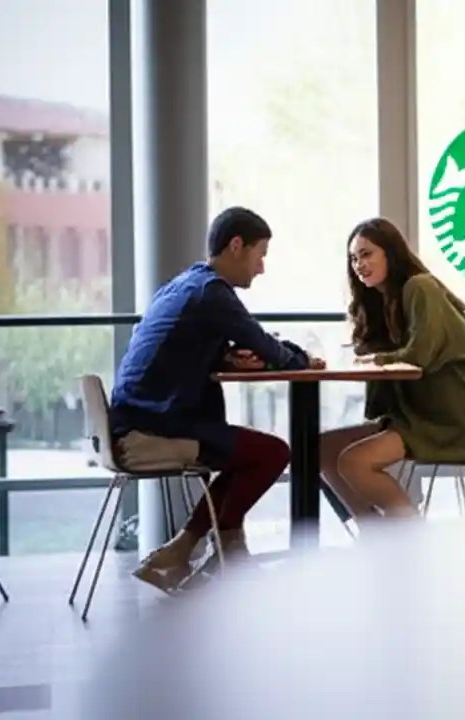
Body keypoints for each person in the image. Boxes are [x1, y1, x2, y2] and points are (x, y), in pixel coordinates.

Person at [112, 207, 325, 592]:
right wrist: (303, 359)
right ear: (237, 245)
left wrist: (227, 357)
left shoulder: (183, 285)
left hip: (135, 417)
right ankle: (219, 557)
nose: (261, 268)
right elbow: (265, 345)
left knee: (247, 454)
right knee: (273, 453)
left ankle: (190, 552)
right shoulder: (212, 293)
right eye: (260, 255)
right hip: (155, 426)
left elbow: (190, 346)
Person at [319, 217, 465, 526]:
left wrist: (377, 361)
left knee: (353, 462)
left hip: (461, 411)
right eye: (353, 258)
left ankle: (410, 542)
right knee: (322, 449)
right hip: (420, 413)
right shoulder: (381, 303)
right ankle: (376, 536)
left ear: (389, 253)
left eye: (367, 254)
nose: (358, 264)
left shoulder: (420, 287)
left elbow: (420, 356)